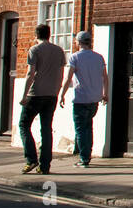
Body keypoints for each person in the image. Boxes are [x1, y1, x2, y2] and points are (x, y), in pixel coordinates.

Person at [19, 24, 65, 175]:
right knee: (46, 129)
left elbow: (30, 74)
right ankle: (44, 166)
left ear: (36, 35)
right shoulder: (59, 51)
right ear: (49, 34)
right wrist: (57, 92)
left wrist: (24, 95)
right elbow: (60, 75)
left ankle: (31, 159)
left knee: (24, 125)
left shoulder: (34, 50)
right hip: (51, 95)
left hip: (35, 94)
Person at [58, 30, 108, 167]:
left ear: (79, 42)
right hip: (94, 99)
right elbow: (105, 77)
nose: (74, 42)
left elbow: (68, 78)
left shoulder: (75, 57)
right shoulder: (99, 57)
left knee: (80, 130)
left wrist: (61, 94)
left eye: (76, 41)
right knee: (88, 128)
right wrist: (105, 94)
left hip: (81, 99)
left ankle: (84, 158)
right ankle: (87, 155)